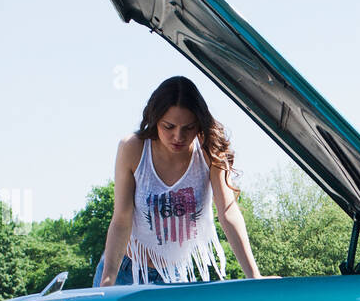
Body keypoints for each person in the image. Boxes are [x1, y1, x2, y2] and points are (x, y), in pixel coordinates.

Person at [95, 75, 264, 286]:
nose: (178, 136)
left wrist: (254, 277)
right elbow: (121, 218)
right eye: (169, 127)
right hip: (125, 271)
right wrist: (108, 279)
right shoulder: (133, 148)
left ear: (199, 124)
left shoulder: (209, 152)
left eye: (188, 128)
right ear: (155, 120)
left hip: (175, 275)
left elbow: (228, 212)